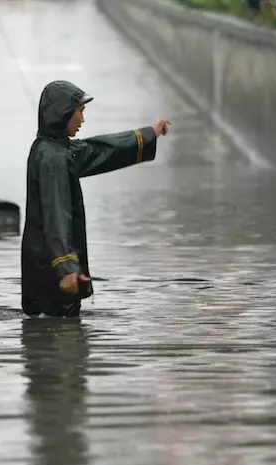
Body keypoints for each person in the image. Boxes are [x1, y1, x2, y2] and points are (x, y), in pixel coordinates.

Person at [21, 80, 170, 318]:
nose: (82, 119)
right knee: (60, 345)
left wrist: (149, 134)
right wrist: (66, 268)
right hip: (55, 282)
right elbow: (56, 214)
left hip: (49, 278)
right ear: (63, 113)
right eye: (79, 111)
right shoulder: (53, 159)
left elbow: (103, 150)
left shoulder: (53, 149)